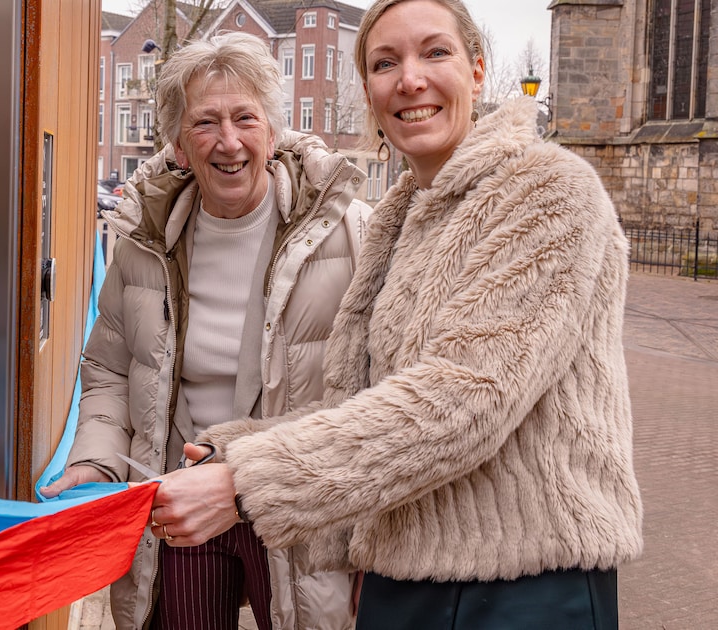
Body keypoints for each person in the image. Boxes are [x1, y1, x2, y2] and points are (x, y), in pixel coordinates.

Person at [148, 1, 644, 628]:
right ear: (369, 91)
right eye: (386, 63)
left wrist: (246, 482)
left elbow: (464, 398)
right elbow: (363, 401)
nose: (410, 79)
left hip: (527, 585)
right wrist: (232, 451)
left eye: (435, 52)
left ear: (478, 70)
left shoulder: (549, 190)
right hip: (404, 579)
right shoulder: (397, 220)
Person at [40, 32, 372, 630]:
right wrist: (97, 462)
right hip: (185, 492)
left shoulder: (346, 234)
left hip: (294, 498)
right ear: (178, 146)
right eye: (205, 123)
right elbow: (111, 371)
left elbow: (374, 391)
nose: (228, 141)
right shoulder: (144, 243)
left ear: (272, 132)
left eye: (245, 118)